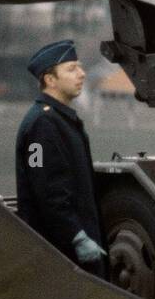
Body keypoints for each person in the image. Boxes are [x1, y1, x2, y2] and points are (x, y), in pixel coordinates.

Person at [14, 40, 107, 276]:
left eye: (80, 67)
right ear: (50, 80)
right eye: (72, 68)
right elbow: (47, 191)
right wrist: (76, 237)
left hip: (70, 250)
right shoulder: (43, 124)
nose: (82, 74)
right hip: (61, 253)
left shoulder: (59, 120)